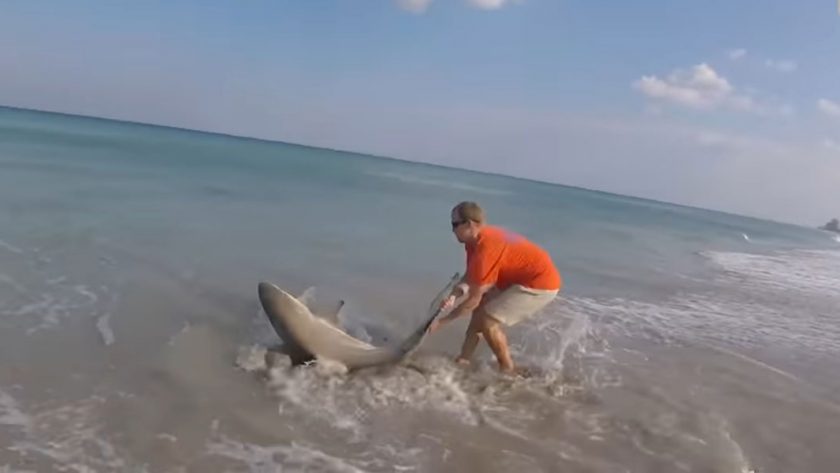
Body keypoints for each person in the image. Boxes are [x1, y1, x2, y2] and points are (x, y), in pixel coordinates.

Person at [428, 201, 562, 373]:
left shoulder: (487, 248)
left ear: (469, 224)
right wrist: (454, 296)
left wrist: (442, 322)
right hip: (516, 278)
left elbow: (473, 299)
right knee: (480, 311)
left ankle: (507, 369)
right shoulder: (472, 242)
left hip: (540, 284)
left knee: (487, 320)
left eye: (455, 224)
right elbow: (471, 277)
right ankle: (463, 360)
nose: (452, 230)